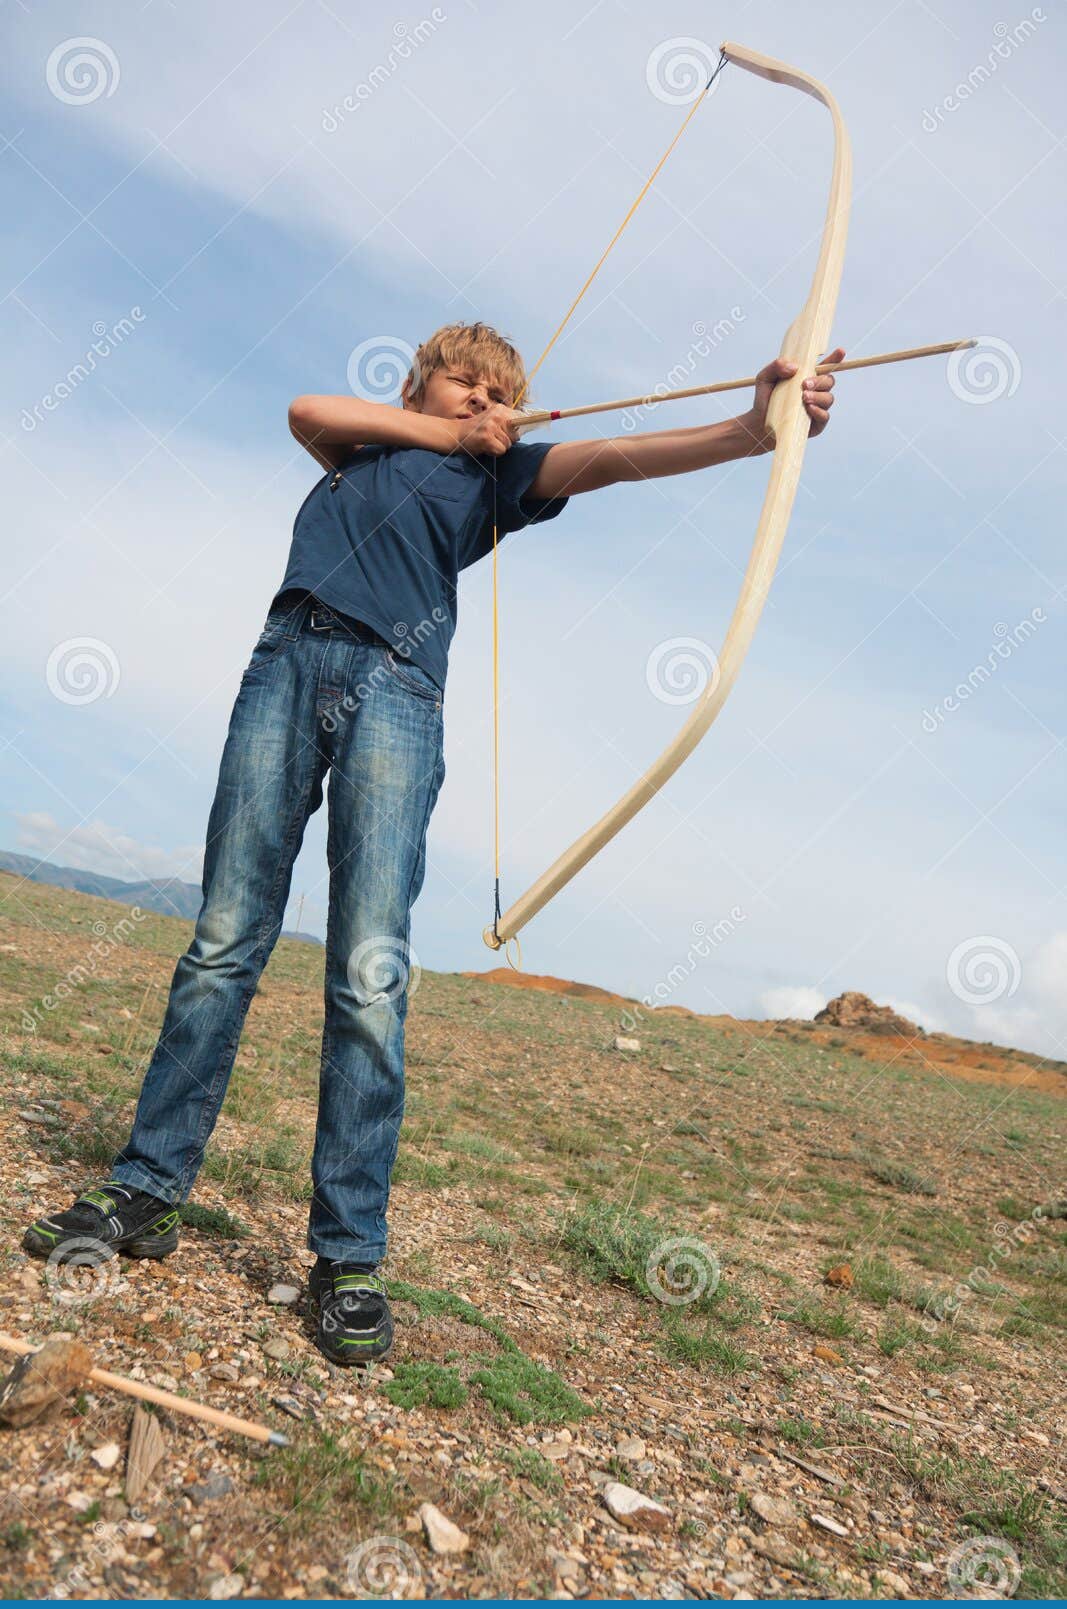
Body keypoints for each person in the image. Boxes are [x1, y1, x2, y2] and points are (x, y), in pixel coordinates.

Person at [23, 321, 840, 1363]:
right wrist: (445, 430)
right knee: (224, 938)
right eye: (467, 381)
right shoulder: (363, 447)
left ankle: (348, 1254)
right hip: (286, 663)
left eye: (501, 390)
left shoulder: (504, 480)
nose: (486, 398)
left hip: (397, 695)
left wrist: (754, 425)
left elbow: (624, 459)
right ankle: (144, 1192)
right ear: (422, 383)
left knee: (368, 971)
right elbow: (304, 412)